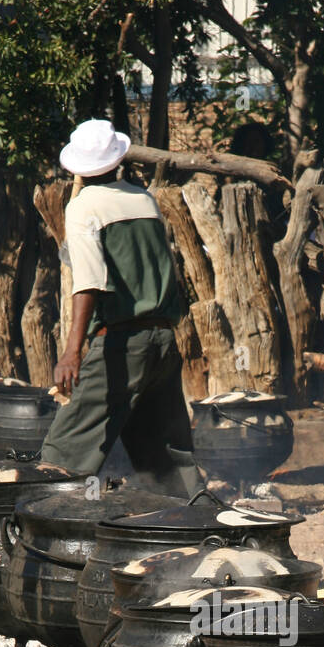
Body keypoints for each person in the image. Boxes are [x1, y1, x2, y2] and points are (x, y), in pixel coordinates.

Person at [39, 119, 202, 496]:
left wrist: (71, 351)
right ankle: (191, 522)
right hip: (162, 341)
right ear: (117, 162)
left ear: (76, 169)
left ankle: (47, 529)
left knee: (67, 447)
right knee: (163, 453)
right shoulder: (144, 200)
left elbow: (90, 283)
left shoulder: (82, 208)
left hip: (121, 343)